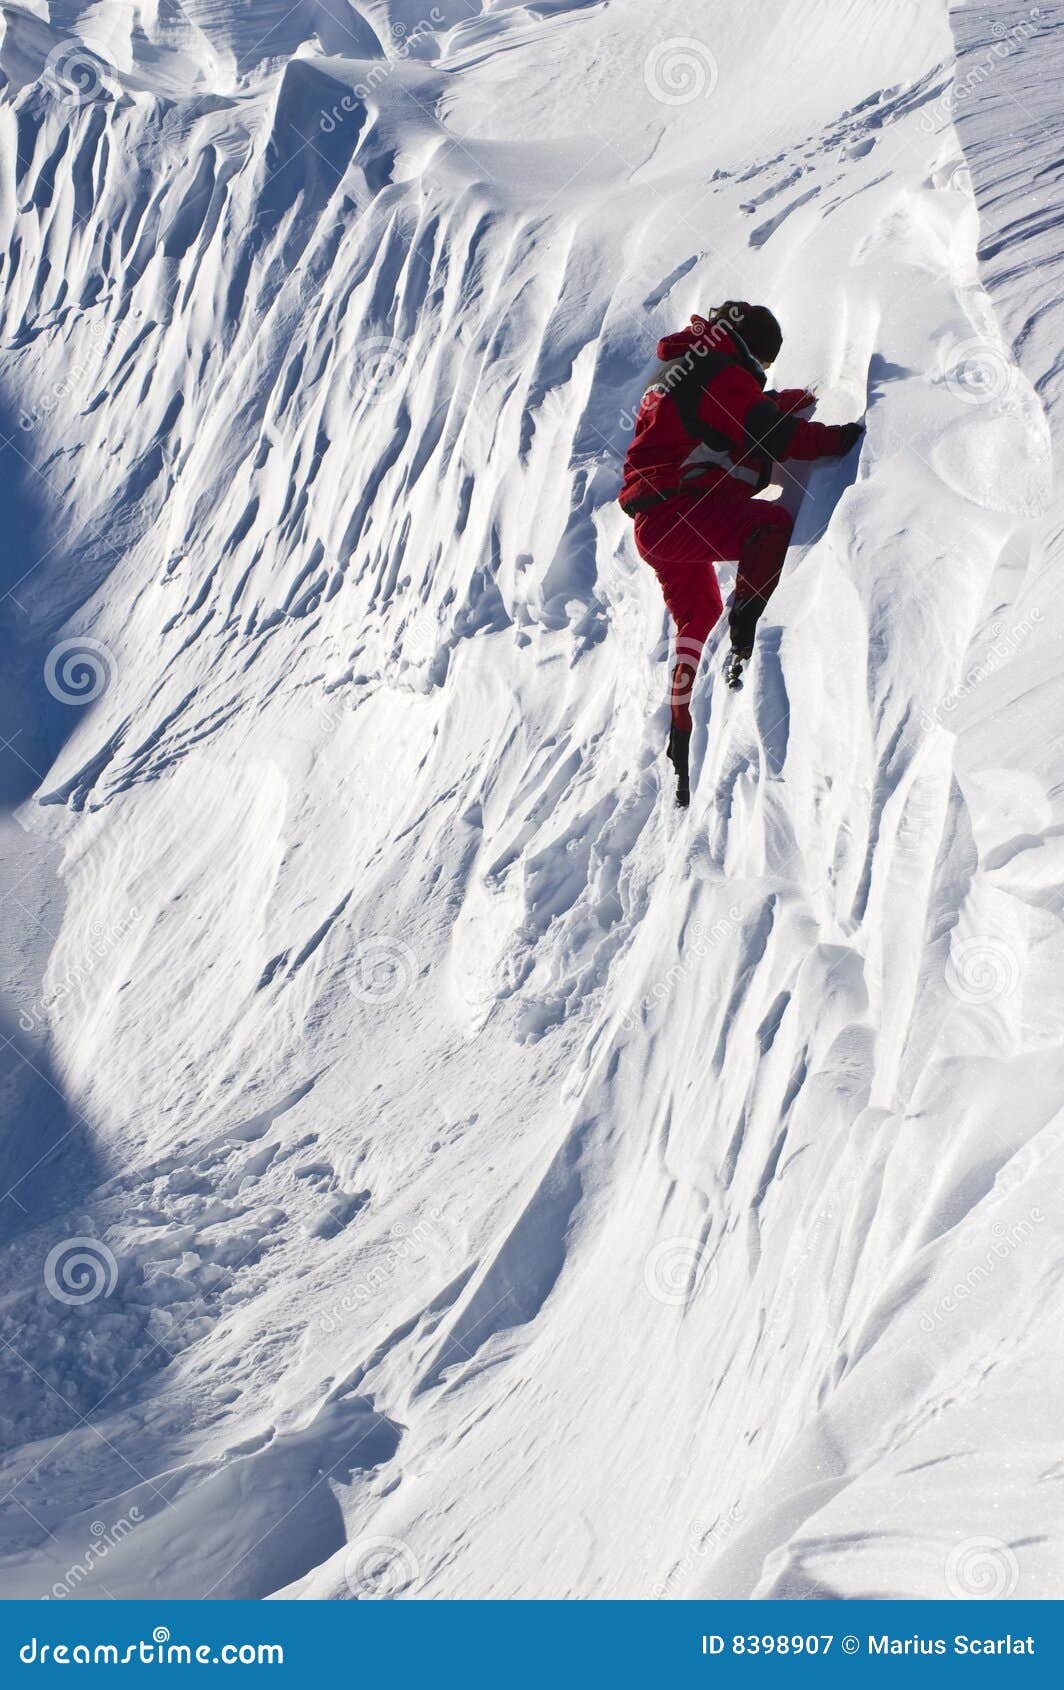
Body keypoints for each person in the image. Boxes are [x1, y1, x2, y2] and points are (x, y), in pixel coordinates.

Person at [619, 301, 864, 805]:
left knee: (698, 615)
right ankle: (746, 639)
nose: (766, 372)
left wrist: (783, 402)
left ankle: (681, 732)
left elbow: (733, 415)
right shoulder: (719, 371)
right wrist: (841, 439)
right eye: (767, 362)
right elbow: (768, 431)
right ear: (755, 350)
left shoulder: (689, 364)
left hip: (656, 522)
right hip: (676, 511)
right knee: (767, 527)